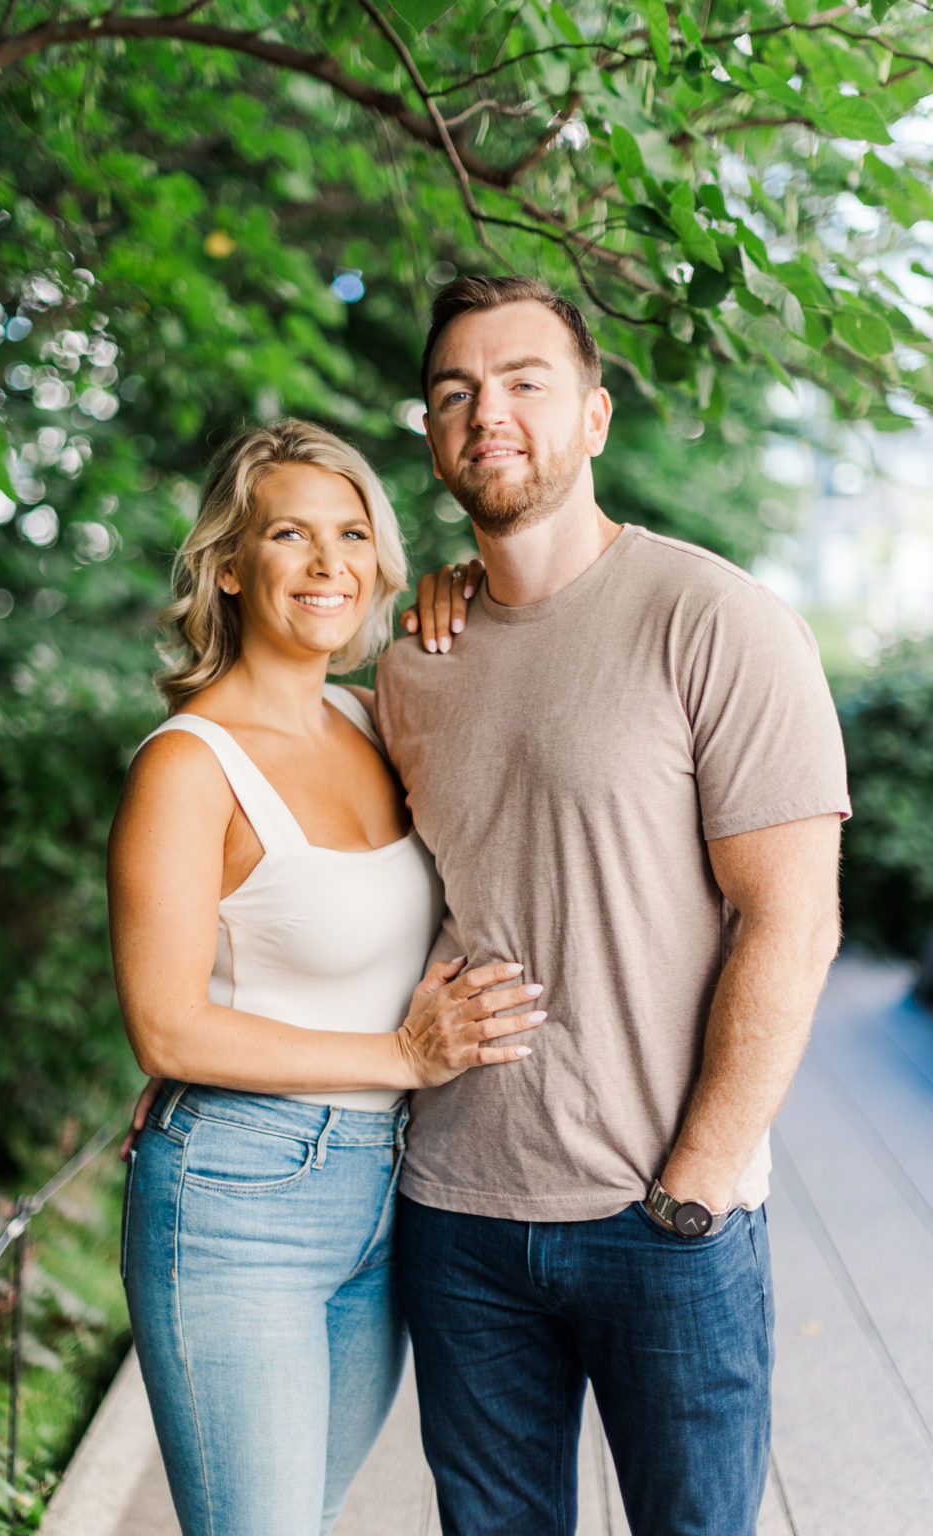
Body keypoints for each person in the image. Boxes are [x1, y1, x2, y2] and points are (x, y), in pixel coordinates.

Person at [375, 275, 851, 1536]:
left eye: (526, 382)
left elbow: (793, 922)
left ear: (592, 416)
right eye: (455, 392)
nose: (490, 413)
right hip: (457, 1212)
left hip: (664, 1222)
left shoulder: (718, 621)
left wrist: (693, 1185)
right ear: (429, 434)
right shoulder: (408, 663)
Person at [107, 418, 543, 1536]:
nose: (325, 563)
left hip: (384, 1195)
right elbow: (165, 1028)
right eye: (288, 535)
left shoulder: (369, 716)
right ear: (230, 566)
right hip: (237, 1200)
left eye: (351, 534)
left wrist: (458, 588)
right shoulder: (189, 767)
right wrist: (400, 1056)